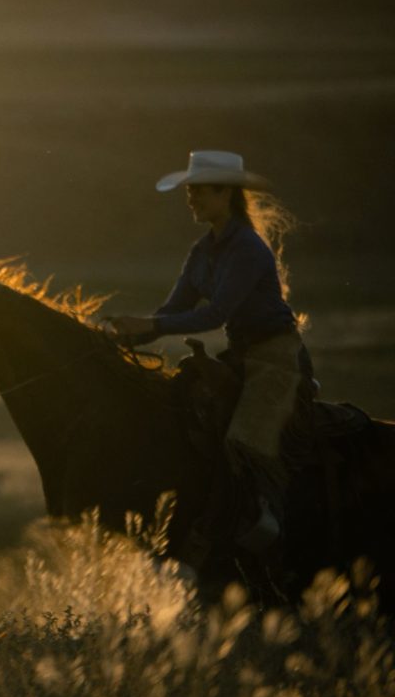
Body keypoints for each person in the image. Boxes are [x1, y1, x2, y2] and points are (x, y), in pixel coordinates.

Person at [103, 149, 304, 560]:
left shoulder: (247, 248)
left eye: (197, 191)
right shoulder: (202, 250)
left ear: (225, 193)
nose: (189, 198)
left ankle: (269, 518)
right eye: (189, 191)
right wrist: (127, 338)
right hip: (241, 355)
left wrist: (149, 326)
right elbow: (172, 310)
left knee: (244, 438)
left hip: (276, 358)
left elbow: (216, 314)